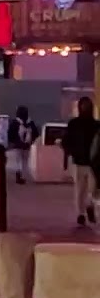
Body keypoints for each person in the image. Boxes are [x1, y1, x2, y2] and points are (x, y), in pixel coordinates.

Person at [62, 97, 100, 226]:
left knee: (91, 189)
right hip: (82, 162)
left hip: (91, 163)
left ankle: (88, 206)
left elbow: (66, 141)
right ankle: (81, 214)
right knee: (81, 189)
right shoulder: (75, 124)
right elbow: (66, 141)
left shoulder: (96, 125)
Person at [6, 105, 39, 185]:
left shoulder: (14, 123)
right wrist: (31, 141)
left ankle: (19, 176)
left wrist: (13, 142)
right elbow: (36, 133)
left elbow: (10, 134)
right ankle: (23, 176)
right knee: (25, 161)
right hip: (27, 145)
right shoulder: (30, 123)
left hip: (17, 145)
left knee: (18, 161)